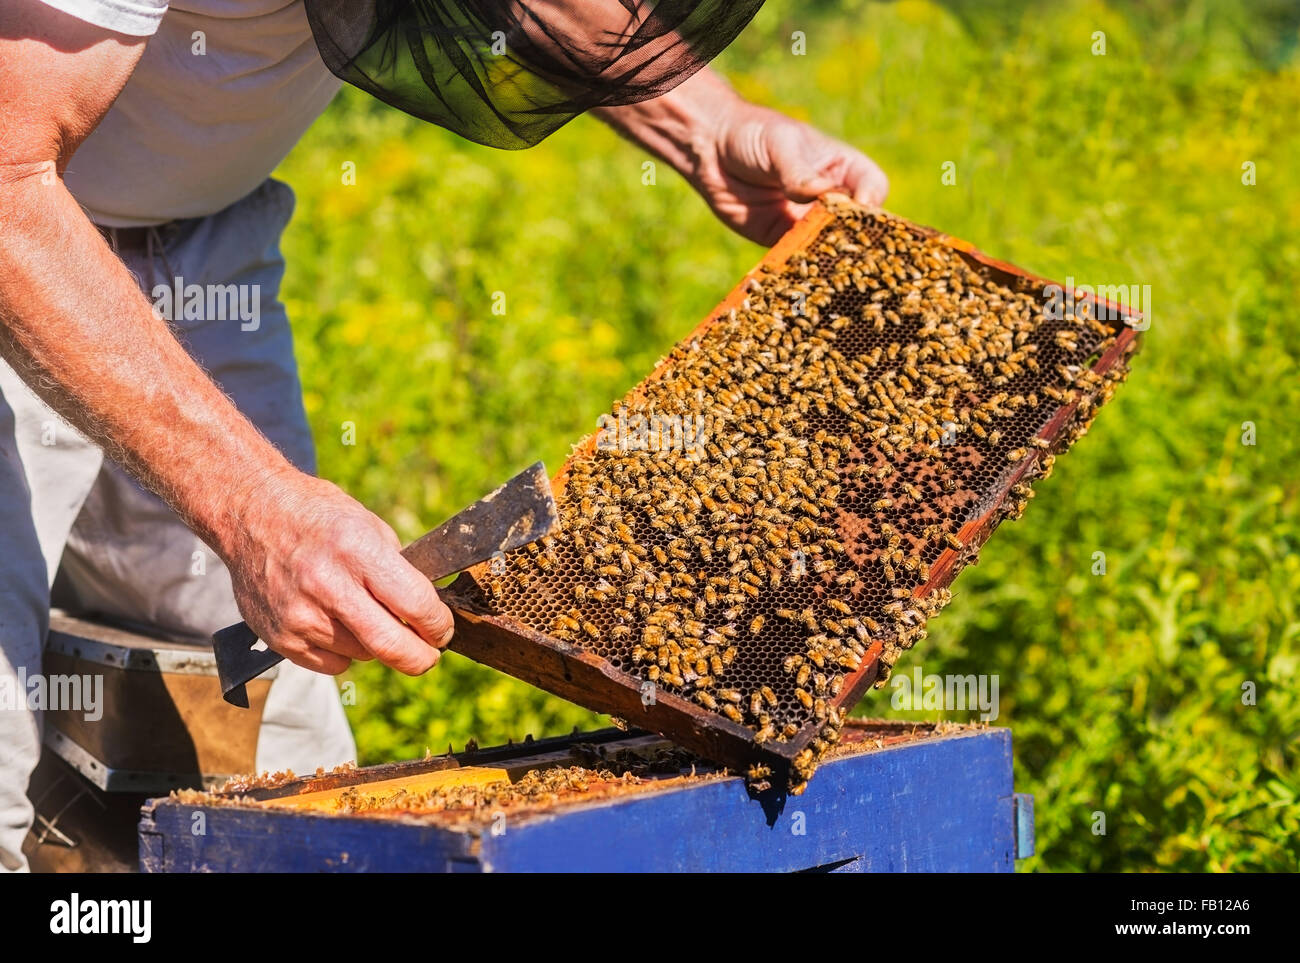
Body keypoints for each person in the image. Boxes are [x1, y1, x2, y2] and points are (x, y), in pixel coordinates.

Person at [0, 0, 887, 871]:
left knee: (260, 748)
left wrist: (709, 125)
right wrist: (253, 506)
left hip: (199, 233)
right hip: (18, 215)